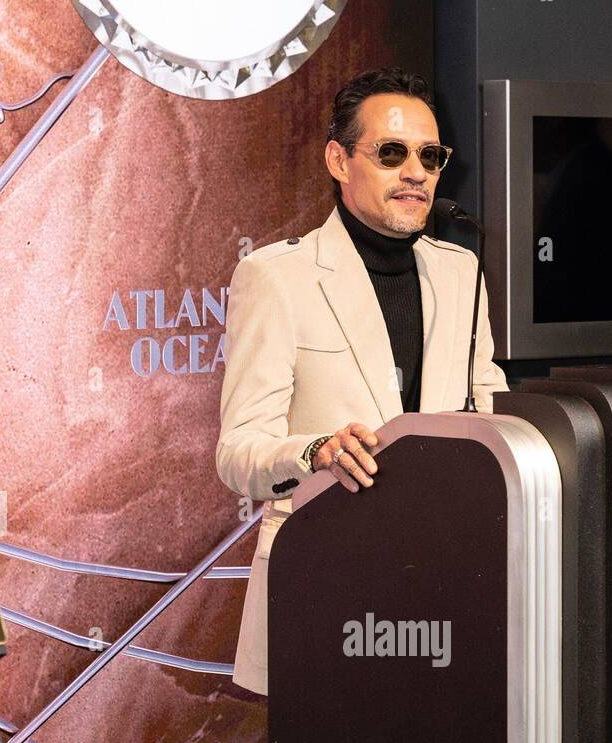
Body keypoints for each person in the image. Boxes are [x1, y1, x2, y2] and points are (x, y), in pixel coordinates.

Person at [215, 65, 509, 696]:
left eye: (430, 156)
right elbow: (238, 453)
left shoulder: (462, 274)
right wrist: (316, 451)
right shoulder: (277, 278)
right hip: (327, 589)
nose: (416, 172)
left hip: (446, 592)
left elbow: (490, 411)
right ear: (338, 160)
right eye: (392, 153)